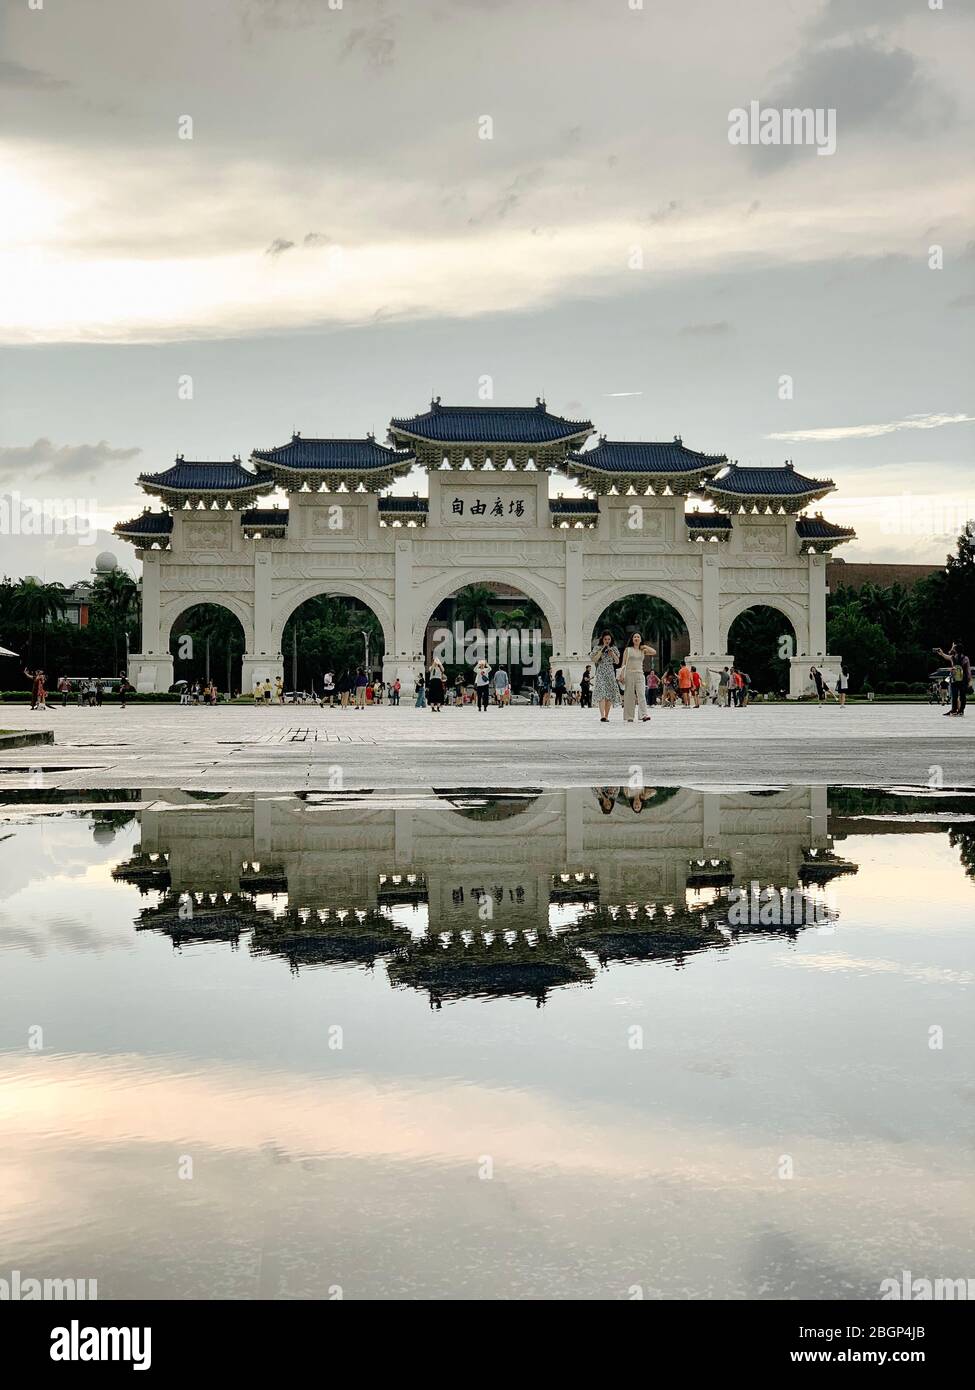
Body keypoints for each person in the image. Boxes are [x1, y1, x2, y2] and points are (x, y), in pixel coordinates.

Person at [618, 633, 655, 723]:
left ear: (640, 639)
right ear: (632, 639)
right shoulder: (628, 650)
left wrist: (644, 646)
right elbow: (623, 663)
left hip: (639, 674)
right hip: (629, 673)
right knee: (629, 695)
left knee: (641, 694)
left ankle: (643, 715)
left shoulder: (643, 650)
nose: (636, 638)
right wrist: (621, 674)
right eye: (635, 637)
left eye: (638, 637)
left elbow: (654, 652)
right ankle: (629, 716)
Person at [590, 631, 621, 723]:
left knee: (609, 695)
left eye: (608, 639)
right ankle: (602, 715)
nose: (607, 641)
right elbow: (594, 659)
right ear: (602, 640)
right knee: (602, 693)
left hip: (610, 672)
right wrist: (602, 651)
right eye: (605, 639)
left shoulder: (614, 649)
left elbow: (617, 662)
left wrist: (613, 654)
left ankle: (606, 716)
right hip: (601, 672)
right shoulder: (597, 648)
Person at [934, 641, 970, 717]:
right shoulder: (965, 658)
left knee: (954, 696)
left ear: (956, 650)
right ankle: (961, 711)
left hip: (954, 679)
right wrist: (968, 680)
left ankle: (954, 710)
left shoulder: (953, 657)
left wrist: (941, 653)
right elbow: (968, 671)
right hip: (963, 680)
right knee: (962, 696)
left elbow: (946, 656)